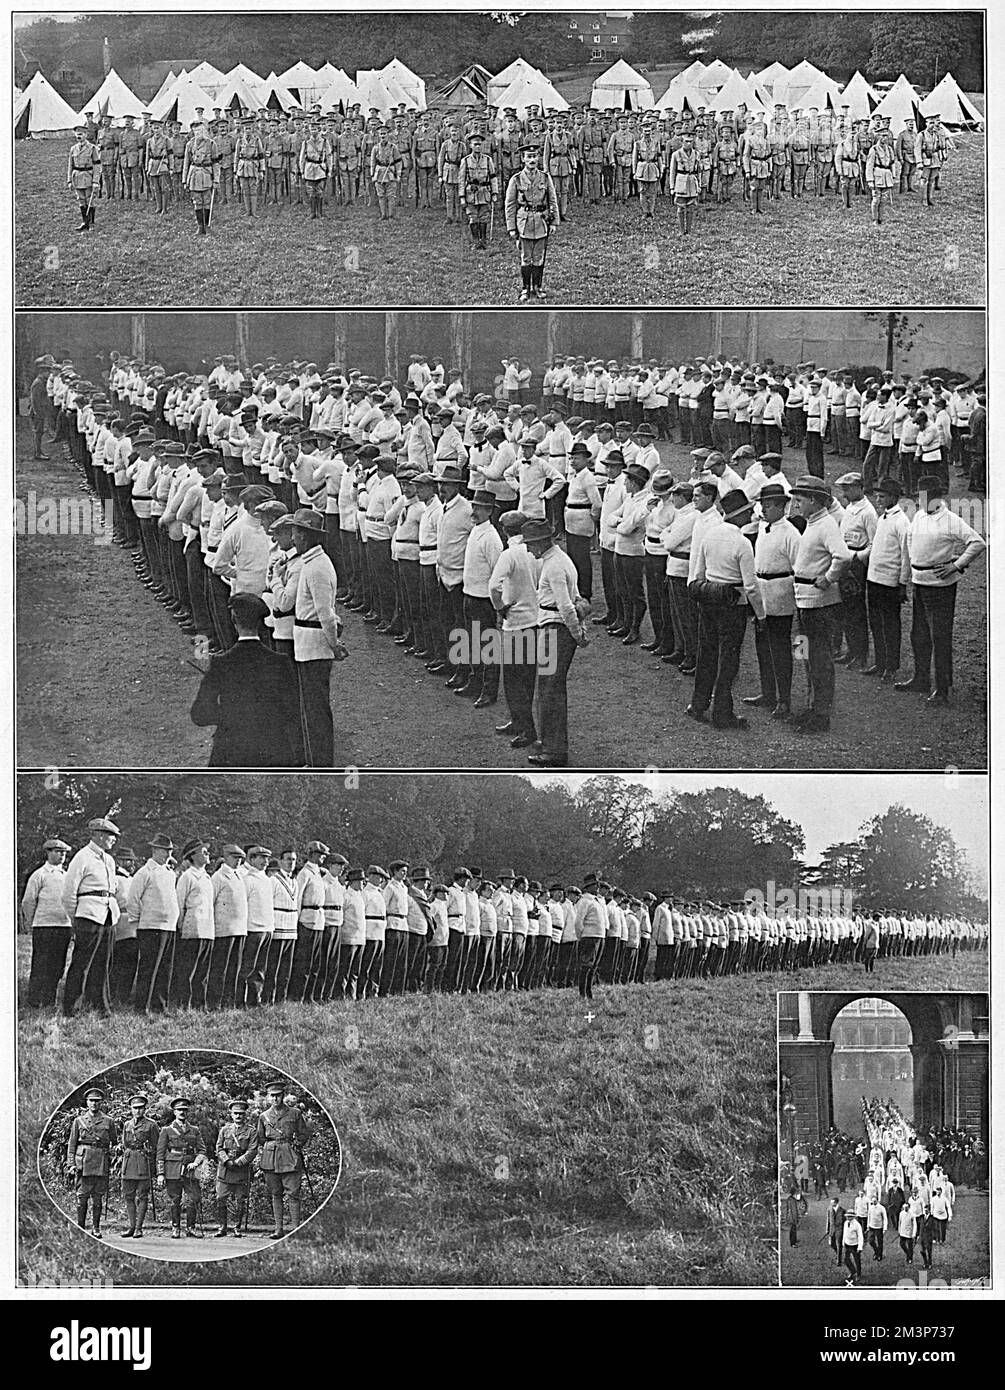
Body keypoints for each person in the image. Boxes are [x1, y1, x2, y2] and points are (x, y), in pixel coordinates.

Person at [897, 474, 986, 706]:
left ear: (937, 497)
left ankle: (943, 689)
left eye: (925, 497)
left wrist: (955, 565)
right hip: (919, 583)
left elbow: (977, 543)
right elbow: (909, 547)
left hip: (940, 588)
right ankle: (921, 678)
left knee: (940, 637)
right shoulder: (918, 516)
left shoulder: (950, 520)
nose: (920, 501)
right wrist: (904, 579)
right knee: (918, 635)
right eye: (918, 496)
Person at [190, 590, 305, 766]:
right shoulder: (280, 662)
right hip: (275, 753)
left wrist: (231, 715)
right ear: (260, 623)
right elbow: (293, 712)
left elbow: (199, 714)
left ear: (233, 621)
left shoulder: (221, 663)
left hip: (231, 752)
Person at [688, 489, 765, 730]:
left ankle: (698, 704)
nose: (752, 516)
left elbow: (698, 574)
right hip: (732, 606)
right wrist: (761, 615)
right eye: (748, 512)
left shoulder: (709, 535)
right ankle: (723, 712)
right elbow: (751, 586)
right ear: (739, 515)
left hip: (708, 599)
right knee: (728, 659)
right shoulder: (742, 542)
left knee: (707, 654)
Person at [521, 516, 589, 767]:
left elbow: (567, 606)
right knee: (549, 687)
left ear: (540, 543)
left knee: (550, 690)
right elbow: (578, 597)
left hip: (556, 629)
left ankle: (555, 750)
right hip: (552, 627)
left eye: (530, 543)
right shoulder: (560, 559)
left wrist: (578, 634)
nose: (528, 548)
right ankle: (549, 740)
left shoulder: (553, 567)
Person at [788, 476, 852, 733]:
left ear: (814, 500)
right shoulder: (813, 523)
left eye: (800, 500)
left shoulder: (826, 525)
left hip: (819, 604)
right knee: (804, 654)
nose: (796, 505)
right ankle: (812, 706)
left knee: (820, 658)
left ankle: (821, 714)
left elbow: (844, 556)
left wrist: (828, 578)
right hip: (804, 599)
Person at [289, 508, 346, 767]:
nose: (293, 538)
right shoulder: (312, 563)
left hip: (315, 646)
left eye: (296, 533)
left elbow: (325, 613)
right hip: (307, 643)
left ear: (306, 536)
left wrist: (334, 644)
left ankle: (321, 763)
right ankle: (314, 760)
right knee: (310, 707)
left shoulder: (317, 568)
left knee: (316, 709)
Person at [60, 816, 121, 1018]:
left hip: (108, 915)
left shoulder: (109, 861)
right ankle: (72, 1008)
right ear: (99, 836)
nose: (114, 840)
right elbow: (68, 893)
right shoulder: (82, 857)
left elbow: (111, 890)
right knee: (82, 963)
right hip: (88, 916)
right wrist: (76, 918)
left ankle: (100, 1005)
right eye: (111, 836)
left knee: (103, 963)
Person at [256, 1080, 312, 1240]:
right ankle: (278, 1230)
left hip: (289, 1156)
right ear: (268, 1097)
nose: (275, 1099)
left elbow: (303, 1133)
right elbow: (261, 1137)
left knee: (293, 1193)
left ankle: (295, 1229)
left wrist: (297, 1145)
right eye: (272, 1096)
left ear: (283, 1095)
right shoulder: (263, 1116)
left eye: (278, 1095)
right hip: (270, 1158)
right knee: (276, 1193)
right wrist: (270, 1147)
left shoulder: (295, 1113)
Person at [504, 144, 560, 302]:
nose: (532, 160)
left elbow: (552, 200)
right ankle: (525, 288)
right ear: (523, 159)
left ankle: (538, 286)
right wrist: (512, 228)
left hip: (541, 221)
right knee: (526, 257)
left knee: (539, 257)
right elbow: (510, 205)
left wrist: (554, 221)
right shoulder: (516, 179)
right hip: (524, 222)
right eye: (528, 157)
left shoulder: (545, 177)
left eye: (534, 156)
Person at [22, 837, 73, 1008]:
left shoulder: (67, 876)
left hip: (63, 926)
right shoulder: (39, 875)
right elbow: (28, 901)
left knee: (57, 965)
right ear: (48, 853)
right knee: (41, 964)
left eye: (64, 853)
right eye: (58, 852)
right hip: (43, 926)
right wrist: (31, 923)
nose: (61, 856)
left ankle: (50, 999)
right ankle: (35, 1000)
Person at [66, 1087, 117, 1238]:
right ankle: (81, 1228)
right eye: (91, 1101)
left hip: (100, 1162)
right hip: (83, 1163)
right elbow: (72, 1144)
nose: (94, 1104)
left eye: (97, 1101)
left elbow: (114, 1143)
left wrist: (111, 1158)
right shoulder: (79, 1121)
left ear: (101, 1102)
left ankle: (96, 1228)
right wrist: (71, 1164)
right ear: (87, 1102)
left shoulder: (108, 1121)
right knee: (82, 1198)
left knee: (97, 1197)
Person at [156, 1095, 207, 1239]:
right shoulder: (166, 1130)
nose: (182, 1112)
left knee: (194, 1198)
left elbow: (203, 1150)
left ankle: (191, 1228)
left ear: (188, 1111)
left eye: (184, 1109)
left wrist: (196, 1163)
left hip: (190, 1168)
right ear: (174, 1112)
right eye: (179, 1110)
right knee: (175, 1199)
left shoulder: (194, 1130)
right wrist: (160, 1173)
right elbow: (160, 1153)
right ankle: (175, 1227)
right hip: (172, 1168)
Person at [214, 1098, 258, 1237]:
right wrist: (226, 1160)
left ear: (245, 1115)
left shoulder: (251, 1131)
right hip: (225, 1169)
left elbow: (252, 1150)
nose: (238, 1116)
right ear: (231, 1115)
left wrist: (239, 1162)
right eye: (235, 1113)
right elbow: (219, 1148)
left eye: (241, 1113)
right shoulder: (225, 1130)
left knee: (240, 1200)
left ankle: (236, 1227)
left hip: (240, 1170)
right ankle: (222, 1227)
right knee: (221, 1198)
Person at [119, 1093, 158, 1239]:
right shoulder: (127, 1125)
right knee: (128, 1195)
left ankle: (139, 1228)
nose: (138, 1111)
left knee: (142, 1196)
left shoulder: (151, 1125)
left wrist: (152, 1162)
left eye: (141, 1108)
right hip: (128, 1162)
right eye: (135, 1108)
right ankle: (131, 1226)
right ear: (131, 1109)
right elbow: (125, 1143)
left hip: (143, 1162)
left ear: (145, 1108)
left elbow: (156, 1146)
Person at [67, 124, 100, 233]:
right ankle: (84, 222)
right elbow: (70, 165)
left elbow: (97, 165)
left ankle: (91, 223)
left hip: (88, 177)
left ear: (85, 135)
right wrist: (69, 180)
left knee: (89, 199)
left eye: (80, 134)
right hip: (77, 177)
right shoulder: (73, 149)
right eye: (77, 135)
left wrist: (96, 181)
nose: (79, 137)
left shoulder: (92, 148)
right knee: (81, 200)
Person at [841, 1210, 864, 1285]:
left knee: (857, 1260)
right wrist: (843, 1242)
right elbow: (844, 1233)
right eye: (847, 1216)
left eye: (850, 1216)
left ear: (853, 1217)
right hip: (847, 1244)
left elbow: (860, 1236)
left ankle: (858, 1274)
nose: (848, 1218)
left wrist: (860, 1247)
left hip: (855, 1245)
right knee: (846, 1260)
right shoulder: (845, 1223)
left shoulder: (857, 1225)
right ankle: (853, 1271)